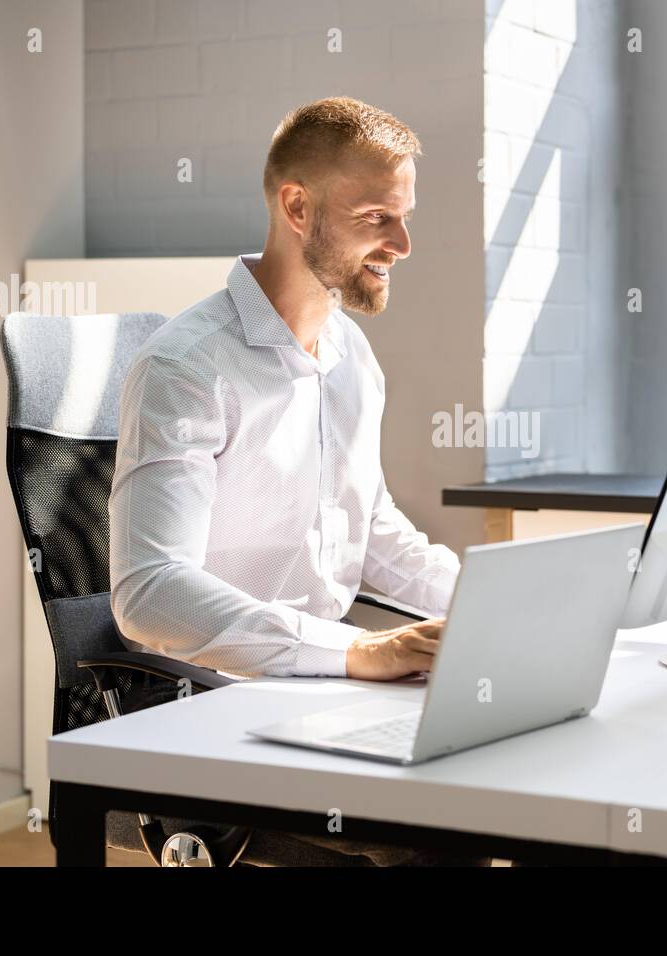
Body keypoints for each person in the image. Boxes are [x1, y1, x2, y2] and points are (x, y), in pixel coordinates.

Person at [108, 96, 487, 866]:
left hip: (326, 694)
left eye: (404, 215)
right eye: (379, 215)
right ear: (297, 206)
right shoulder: (188, 366)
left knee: (526, 783)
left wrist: (492, 607)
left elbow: (373, 528)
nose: (403, 243)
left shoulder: (351, 358)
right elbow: (148, 591)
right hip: (218, 704)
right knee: (449, 837)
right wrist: (355, 653)